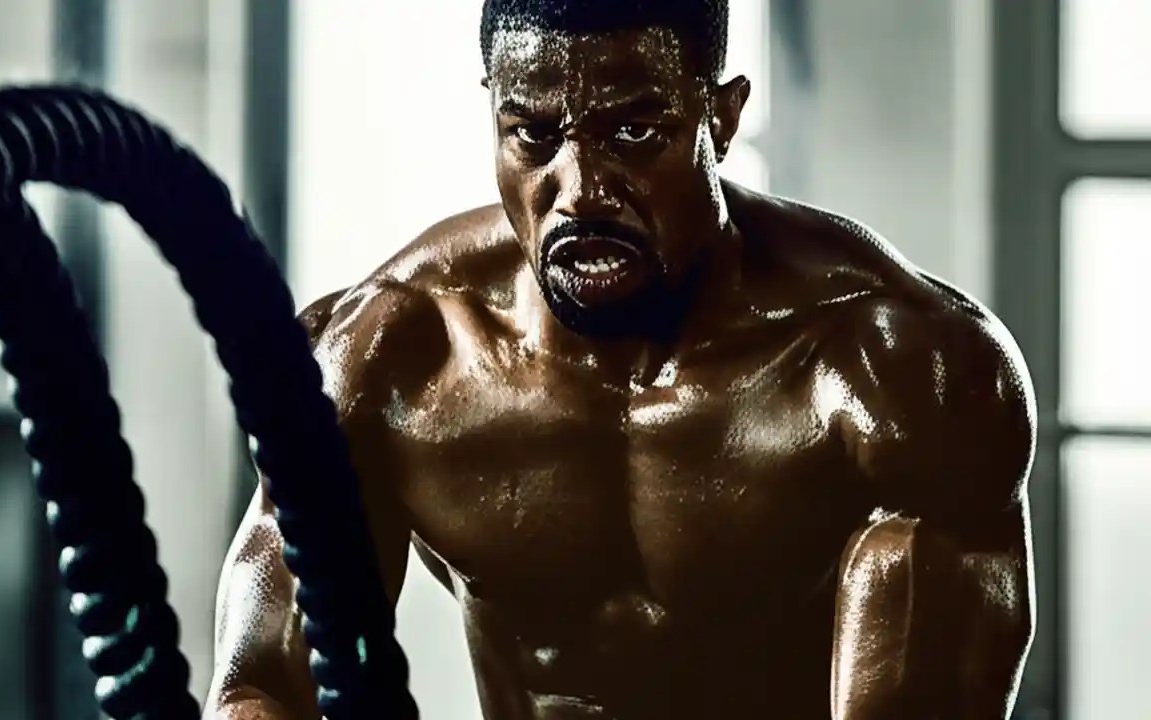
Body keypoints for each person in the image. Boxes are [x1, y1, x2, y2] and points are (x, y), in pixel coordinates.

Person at [204, 1, 1036, 717]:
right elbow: (266, 683)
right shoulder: (387, 361)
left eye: (634, 132)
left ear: (720, 116)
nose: (581, 189)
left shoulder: (899, 375)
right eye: (532, 135)